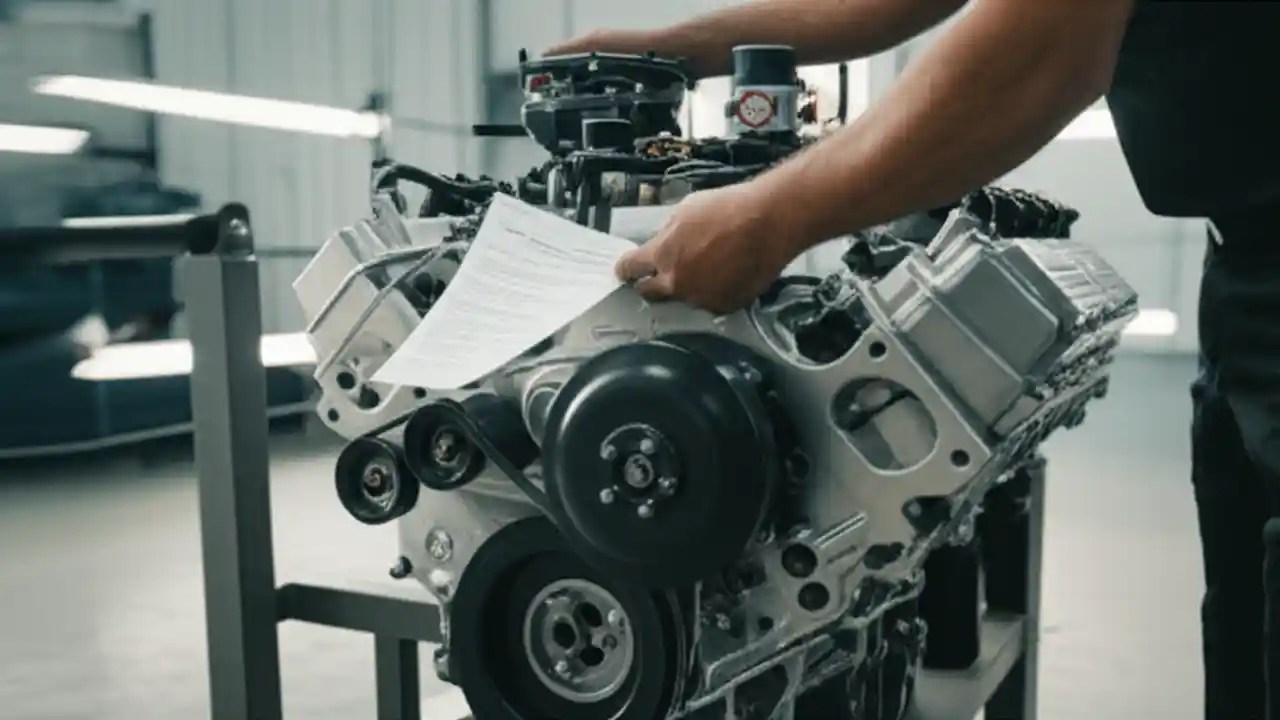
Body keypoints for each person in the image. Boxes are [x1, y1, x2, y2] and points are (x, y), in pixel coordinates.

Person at [548, 1, 1280, 718]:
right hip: (1242, 266)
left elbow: (1042, 48)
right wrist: (675, 52)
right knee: (1247, 625)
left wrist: (773, 216)